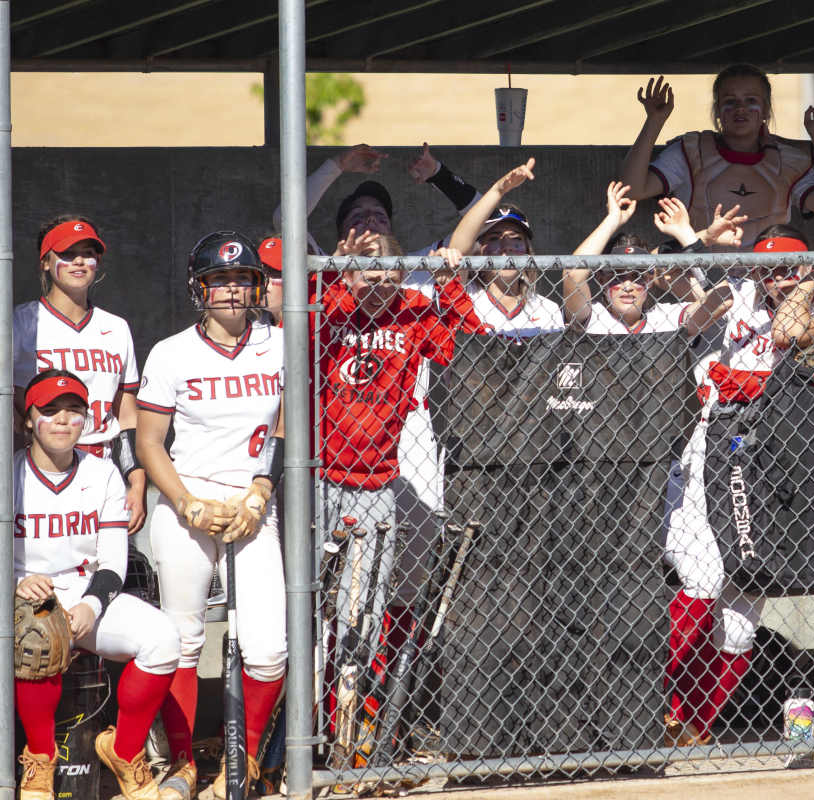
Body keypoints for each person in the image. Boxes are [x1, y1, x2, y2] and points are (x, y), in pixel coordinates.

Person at [663, 225, 814, 747]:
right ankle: (663, 708)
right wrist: (694, 237)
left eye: (789, 268)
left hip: (778, 455)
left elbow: (794, 336)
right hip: (714, 440)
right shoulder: (741, 288)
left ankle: (697, 727)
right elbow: (675, 278)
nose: (777, 279)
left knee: (743, 615)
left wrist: (805, 284)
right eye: (768, 269)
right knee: (702, 575)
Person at [136, 232, 286, 800]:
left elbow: (286, 423)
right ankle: (180, 763)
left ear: (256, 286)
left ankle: (239, 761)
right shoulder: (172, 351)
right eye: (219, 281)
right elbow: (150, 441)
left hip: (253, 499)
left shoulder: (277, 343)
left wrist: (259, 493)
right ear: (199, 288)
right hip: (187, 496)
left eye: (241, 279)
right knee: (181, 638)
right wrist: (186, 503)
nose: (230, 290)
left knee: (269, 646)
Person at [312, 242, 472, 766]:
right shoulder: (330, 306)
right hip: (317, 480)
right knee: (310, 614)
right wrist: (338, 275)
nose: (376, 285)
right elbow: (306, 331)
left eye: (387, 275)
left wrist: (449, 285)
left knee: (363, 617)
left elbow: (463, 351)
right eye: (366, 275)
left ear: (402, 275)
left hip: (378, 484)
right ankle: (302, 735)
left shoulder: (413, 310)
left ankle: (351, 737)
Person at [15, 369, 181, 800]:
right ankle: (39, 763)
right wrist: (14, 582)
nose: (63, 421)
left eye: (73, 412)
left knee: (163, 638)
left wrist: (91, 605)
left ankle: (123, 751)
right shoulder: (8, 473)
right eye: (49, 412)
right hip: (24, 594)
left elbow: (113, 561)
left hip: (84, 592)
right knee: (38, 633)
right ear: (27, 419)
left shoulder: (103, 473)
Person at [14, 216, 148, 533]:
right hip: (39, 468)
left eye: (88, 253)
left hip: (101, 467)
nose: (79, 261)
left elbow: (126, 415)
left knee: (106, 569)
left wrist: (136, 478)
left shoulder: (115, 328)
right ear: (45, 262)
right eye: (66, 252)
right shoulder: (20, 324)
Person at [619, 66, 814, 246]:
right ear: (717, 110)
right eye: (730, 101)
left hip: (770, 281)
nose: (741, 108)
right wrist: (654, 121)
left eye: (751, 101)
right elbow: (631, 190)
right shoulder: (691, 151)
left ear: (767, 109)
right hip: (702, 279)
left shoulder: (788, 160)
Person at [564, 182, 732, 335]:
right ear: (600, 278)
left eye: (637, 276)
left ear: (650, 279)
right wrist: (612, 220)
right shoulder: (590, 317)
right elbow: (572, 273)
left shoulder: (667, 318)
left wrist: (687, 235)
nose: (628, 286)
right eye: (618, 276)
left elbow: (721, 300)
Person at [272, 142, 481, 258]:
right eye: (357, 217)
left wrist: (439, 175)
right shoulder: (326, 265)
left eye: (380, 216)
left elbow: (485, 222)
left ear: (392, 232)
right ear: (341, 234)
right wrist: (336, 166)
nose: (370, 220)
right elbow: (284, 220)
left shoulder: (418, 266)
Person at [447, 159, 564, 337]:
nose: (506, 247)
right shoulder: (466, 295)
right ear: (480, 249)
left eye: (516, 239)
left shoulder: (547, 309)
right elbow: (457, 249)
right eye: (494, 238)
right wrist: (498, 190)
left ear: (527, 250)